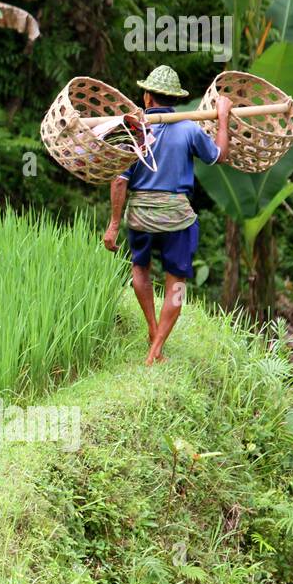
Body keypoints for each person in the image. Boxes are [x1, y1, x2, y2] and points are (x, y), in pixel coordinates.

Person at [102, 65, 231, 365]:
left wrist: (112, 225)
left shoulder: (135, 130)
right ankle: (156, 346)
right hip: (176, 217)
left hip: (141, 215)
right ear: (173, 98)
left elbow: (119, 180)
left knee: (140, 269)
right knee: (176, 283)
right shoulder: (188, 128)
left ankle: (151, 330)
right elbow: (219, 155)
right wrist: (223, 117)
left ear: (147, 97)